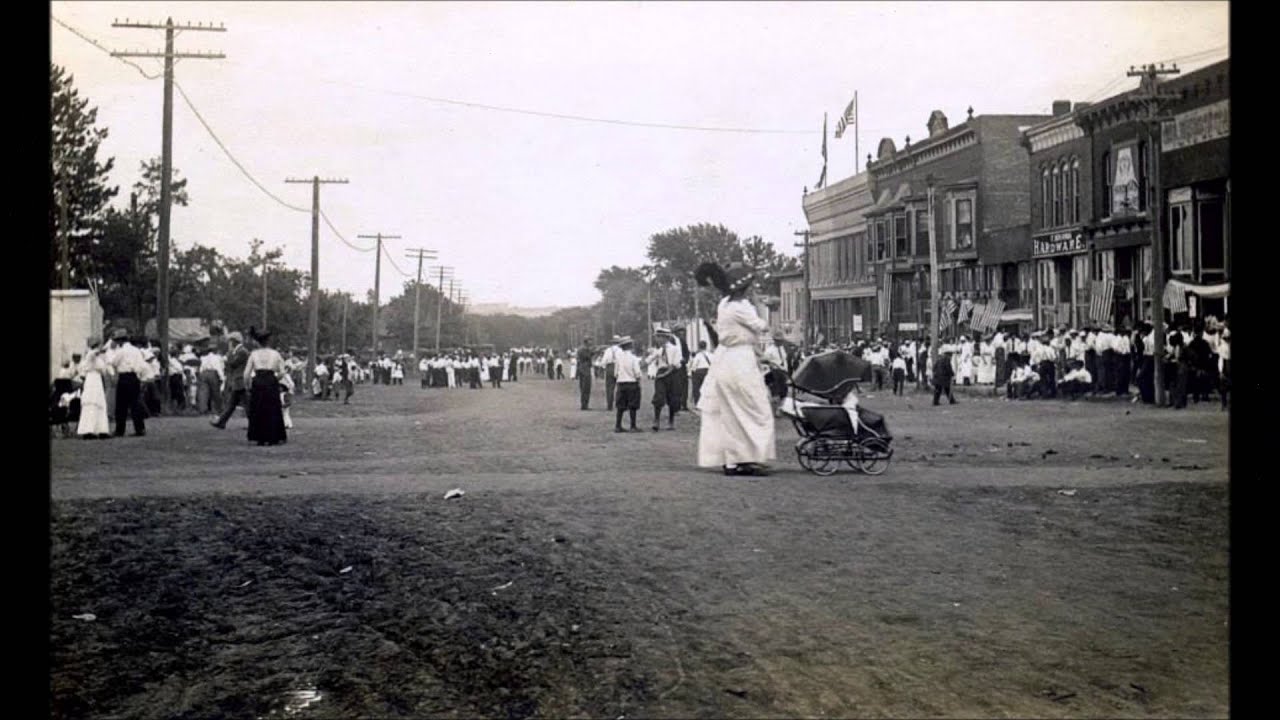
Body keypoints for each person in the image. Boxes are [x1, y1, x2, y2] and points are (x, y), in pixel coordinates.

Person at [694, 261, 776, 476]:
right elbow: (763, 325)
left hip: (727, 359)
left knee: (731, 412)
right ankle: (746, 458)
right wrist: (759, 303)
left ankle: (734, 459)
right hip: (740, 361)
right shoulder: (742, 307)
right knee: (755, 409)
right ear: (746, 287)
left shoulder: (725, 304)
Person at [241, 327, 288, 445]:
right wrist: (276, 379)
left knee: (258, 409)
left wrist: (247, 385)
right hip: (270, 380)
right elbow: (282, 371)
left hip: (258, 380)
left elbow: (246, 373)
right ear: (268, 341)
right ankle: (273, 436)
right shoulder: (275, 354)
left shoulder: (253, 354)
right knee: (272, 408)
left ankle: (259, 437)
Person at [106, 328, 149, 437]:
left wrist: (111, 351)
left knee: (121, 405)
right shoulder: (136, 350)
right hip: (134, 377)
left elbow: (113, 362)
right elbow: (141, 365)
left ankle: (120, 430)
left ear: (120, 341)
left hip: (124, 377)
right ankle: (140, 428)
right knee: (136, 404)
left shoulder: (121, 351)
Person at [211, 332, 250, 430]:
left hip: (241, 381)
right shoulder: (238, 351)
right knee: (232, 404)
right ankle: (222, 422)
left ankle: (254, 424)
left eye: (230, 341)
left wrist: (228, 356)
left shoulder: (242, 351)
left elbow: (233, 364)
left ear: (234, 341)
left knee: (246, 405)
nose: (229, 343)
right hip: (238, 381)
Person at [76, 338, 112, 439]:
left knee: (100, 404)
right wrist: (100, 350)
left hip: (97, 380)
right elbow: (92, 355)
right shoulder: (89, 355)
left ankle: (101, 430)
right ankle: (88, 431)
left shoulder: (99, 358)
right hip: (91, 380)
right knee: (91, 403)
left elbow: (104, 369)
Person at [648, 328, 682, 430]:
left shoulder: (675, 349)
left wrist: (665, 374)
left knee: (672, 398)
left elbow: (674, 365)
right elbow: (649, 360)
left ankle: (671, 422)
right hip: (661, 373)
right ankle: (656, 420)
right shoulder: (659, 350)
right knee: (658, 397)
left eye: (659, 337)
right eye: (656, 337)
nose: (657, 339)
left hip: (672, 374)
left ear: (665, 338)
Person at [612, 336, 643, 432]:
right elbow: (637, 372)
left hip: (621, 383)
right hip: (632, 383)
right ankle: (633, 426)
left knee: (620, 405)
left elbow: (615, 373)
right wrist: (639, 382)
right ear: (630, 346)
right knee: (633, 405)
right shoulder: (633, 358)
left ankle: (618, 425)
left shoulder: (618, 358)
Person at [689, 340, 712, 407]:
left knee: (697, 388)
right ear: (706, 346)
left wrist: (691, 373)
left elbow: (694, 365)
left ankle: (698, 404)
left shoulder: (698, 355)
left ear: (699, 346)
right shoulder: (710, 354)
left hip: (699, 372)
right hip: (708, 372)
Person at [576, 338, 594, 410]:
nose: (591, 342)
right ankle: (584, 405)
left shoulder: (581, 348)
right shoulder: (584, 349)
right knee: (586, 387)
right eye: (590, 340)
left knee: (583, 387)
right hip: (585, 368)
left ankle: (584, 404)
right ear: (587, 341)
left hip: (581, 368)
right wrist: (593, 352)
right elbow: (587, 356)